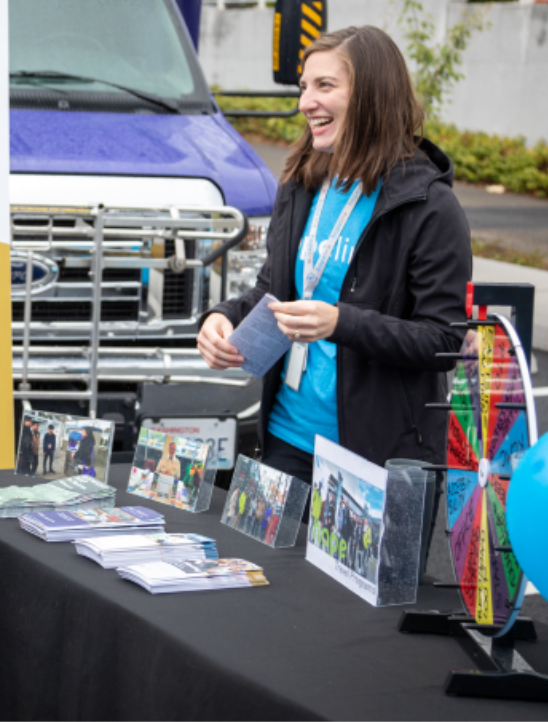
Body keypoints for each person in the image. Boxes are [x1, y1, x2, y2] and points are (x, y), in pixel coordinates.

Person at [197, 25, 471, 488]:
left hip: (378, 461)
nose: (306, 103)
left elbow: (444, 340)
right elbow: (275, 289)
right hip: (286, 440)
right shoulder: (303, 183)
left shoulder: (429, 206)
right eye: (305, 87)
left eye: (325, 86)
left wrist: (341, 322)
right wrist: (222, 318)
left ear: (371, 96)